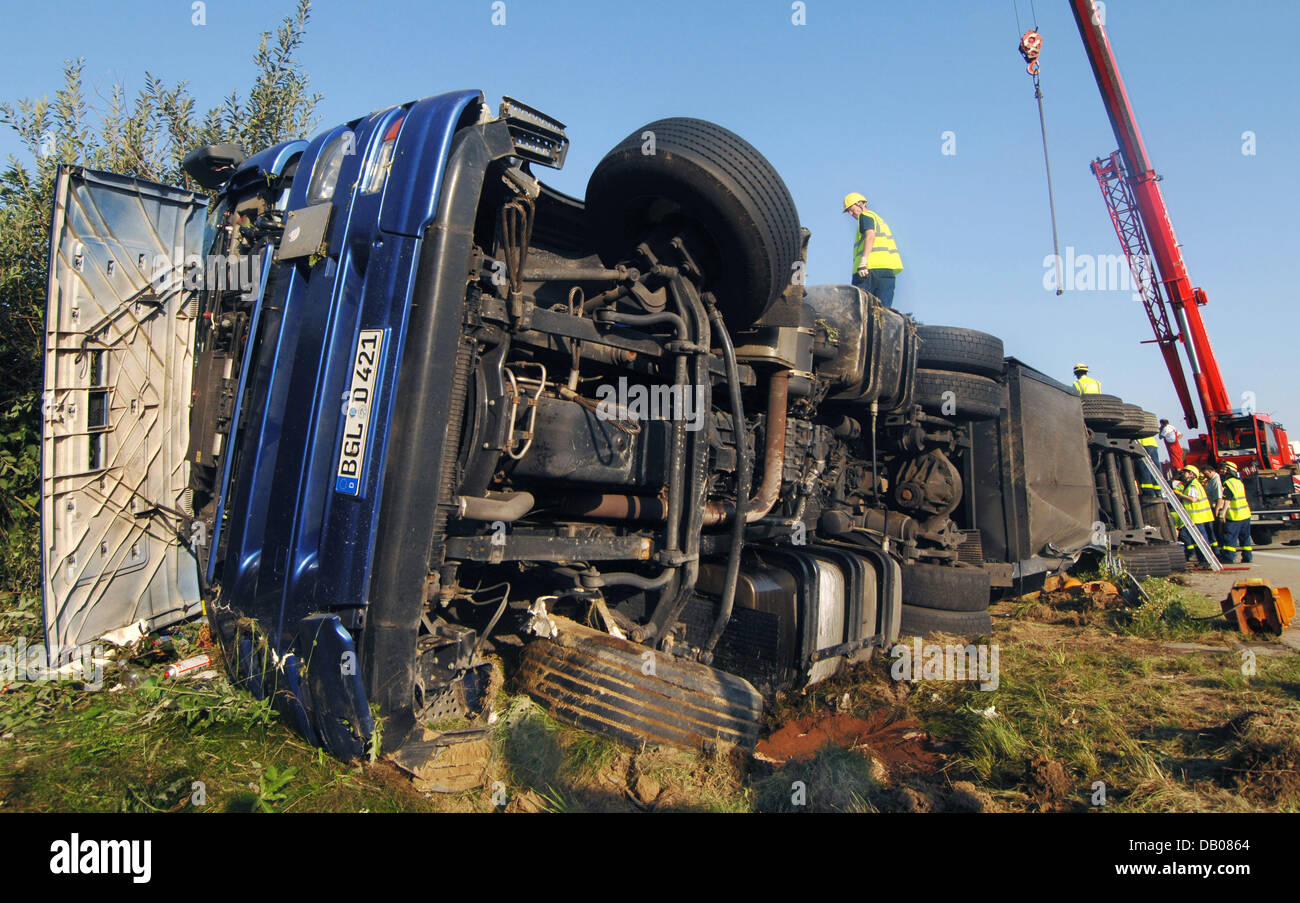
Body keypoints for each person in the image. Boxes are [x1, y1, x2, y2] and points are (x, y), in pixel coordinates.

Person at [843, 192, 903, 308]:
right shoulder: (879, 220)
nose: (850, 214)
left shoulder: (865, 217)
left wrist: (863, 262)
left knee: (860, 313)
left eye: (851, 209)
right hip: (886, 272)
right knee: (884, 313)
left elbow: (870, 236)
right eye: (848, 212)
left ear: (860, 204)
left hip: (867, 272)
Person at [1173, 465, 1218, 564]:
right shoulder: (1192, 484)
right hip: (1196, 518)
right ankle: (1202, 559)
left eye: (1185, 472)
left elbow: (1193, 499)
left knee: (1201, 540)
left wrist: (1179, 494)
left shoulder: (1193, 485)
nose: (1183, 474)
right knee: (1198, 539)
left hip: (1197, 518)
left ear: (1191, 474)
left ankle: (1205, 559)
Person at [1220, 461, 1254, 563]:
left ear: (1229, 470)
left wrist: (1223, 513)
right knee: (1245, 538)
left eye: (1224, 469)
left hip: (1235, 516)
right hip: (1245, 514)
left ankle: (1228, 558)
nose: (1222, 471)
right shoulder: (1239, 482)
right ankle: (1248, 557)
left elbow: (1227, 499)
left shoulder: (1228, 483)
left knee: (1230, 538)